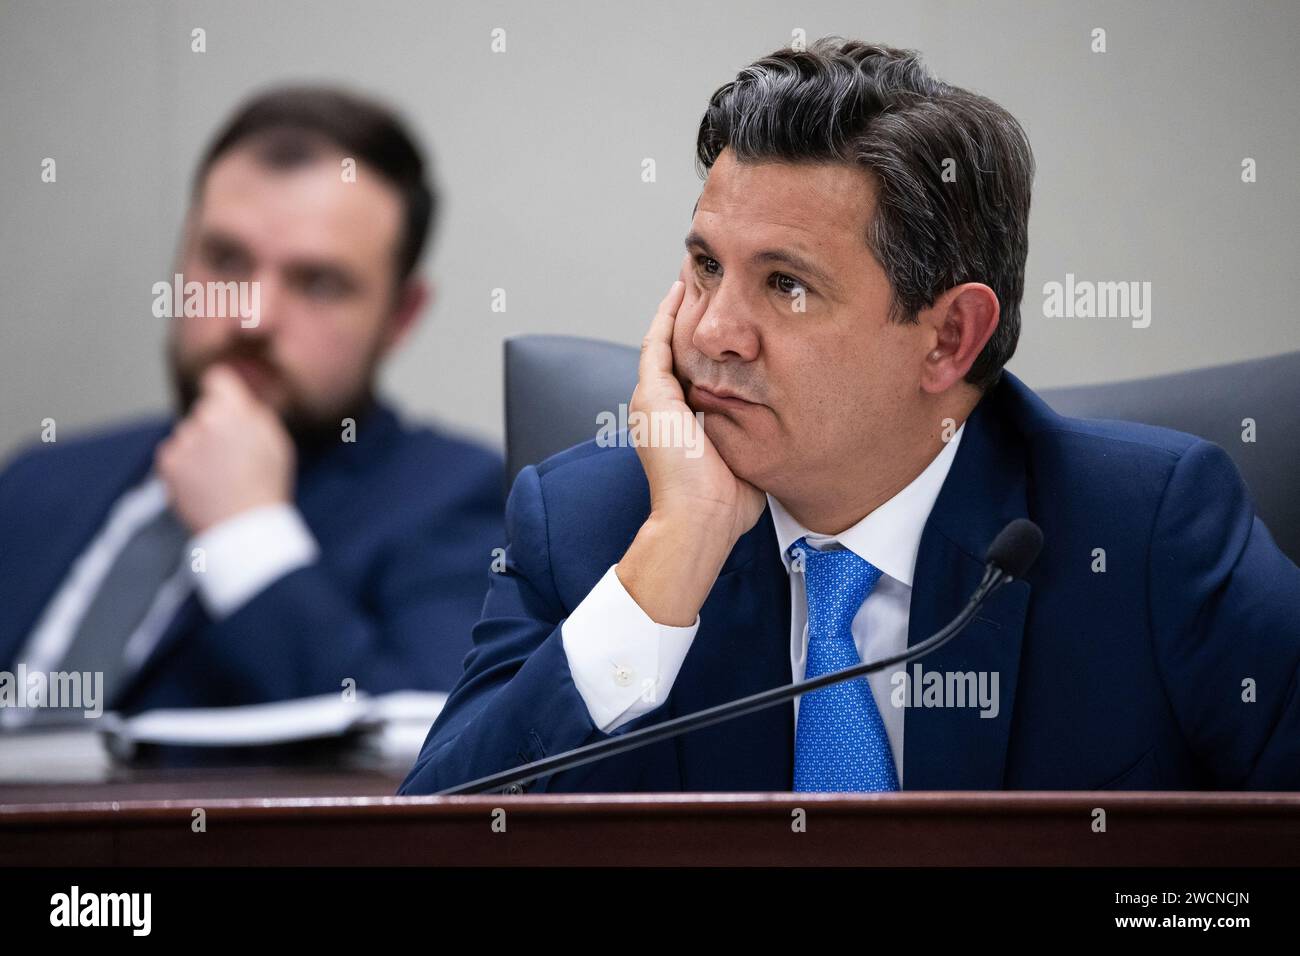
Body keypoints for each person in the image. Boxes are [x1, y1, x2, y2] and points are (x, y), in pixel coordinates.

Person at [400, 40, 1300, 795]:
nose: (711, 331)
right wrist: (673, 560)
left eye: (785, 285)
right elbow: (427, 857)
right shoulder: (593, 528)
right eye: (706, 265)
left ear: (949, 337)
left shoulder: (1146, 535)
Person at [0, 87, 503, 724]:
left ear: (400, 317)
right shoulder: (35, 481)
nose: (249, 316)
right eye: (225, 259)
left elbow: (438, 767)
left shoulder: (454, 500)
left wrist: (247, 535)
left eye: (318, 282)